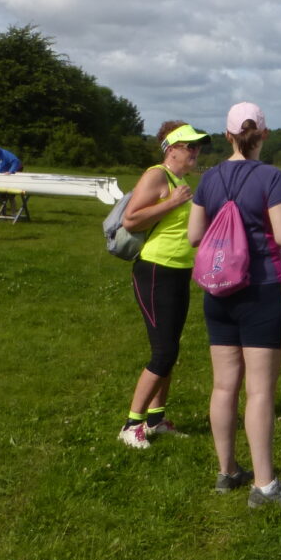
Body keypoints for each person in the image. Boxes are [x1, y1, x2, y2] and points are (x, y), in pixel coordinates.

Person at [188, 102, 281, 508]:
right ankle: (265, 485)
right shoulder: (269, 176)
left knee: (223, 385)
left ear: (227, 135)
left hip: (218, 291)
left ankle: (227, 471)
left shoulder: (209, 177)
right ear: (264, 136)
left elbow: (192, 235)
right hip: (261, 288)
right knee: (260, 392)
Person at [117, 121, 211, 451]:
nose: (196, 152)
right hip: (155, 271)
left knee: (170, 348)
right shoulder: (157, 175)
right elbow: (131, 219)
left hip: (178, 271)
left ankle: (156, 420)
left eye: (198, 147)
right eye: (190, 147)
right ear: (172, 150)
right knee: (163, 351)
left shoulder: (179, 180)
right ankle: (131, 424)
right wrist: (172, 202)